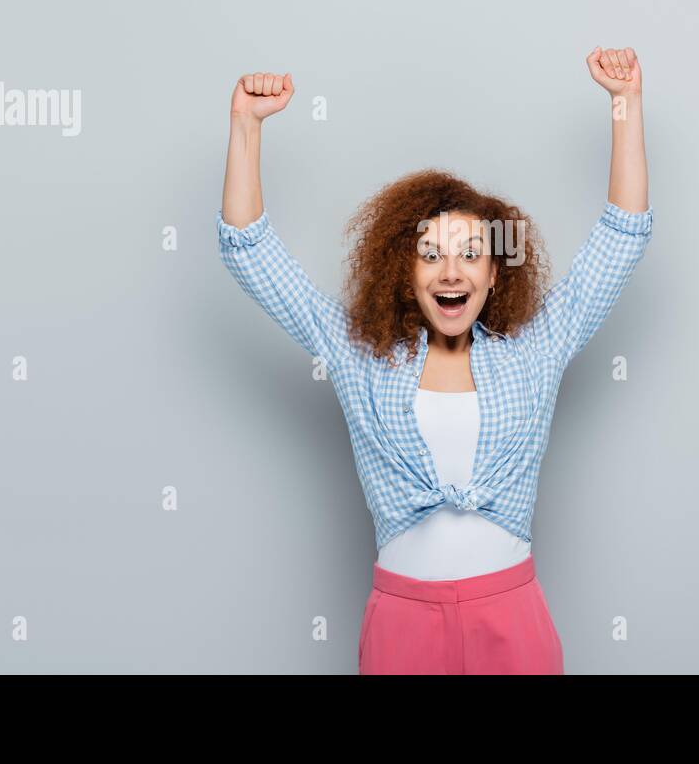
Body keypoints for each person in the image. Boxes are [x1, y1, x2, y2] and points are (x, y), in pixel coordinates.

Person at [217, 47, 653, 674]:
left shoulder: (536, 349)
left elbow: (622, 235)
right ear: (405, 272)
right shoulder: (360, 356)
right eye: (432, 255)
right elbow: (248, 250)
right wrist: (246, 126)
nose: (452, 272)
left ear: (496, 275)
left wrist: (626, 103)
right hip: (402, 623)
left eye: (471, 253)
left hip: (512, 618)